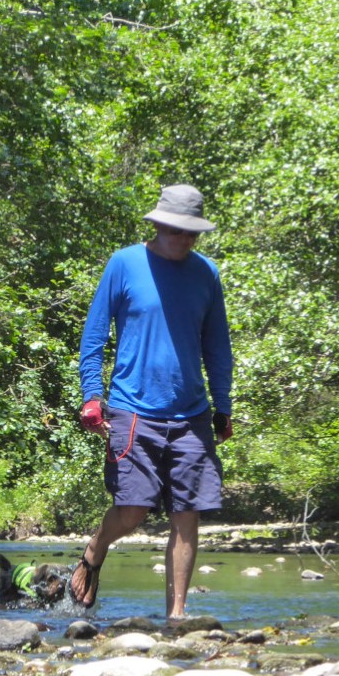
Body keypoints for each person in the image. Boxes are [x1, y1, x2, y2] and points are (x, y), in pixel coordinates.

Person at [71, 184, 233, 620]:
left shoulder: (207, 274)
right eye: (177, 231)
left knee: (188, 512)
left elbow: (218, 345)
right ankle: (95, 548)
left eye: (192, 233)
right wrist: (92, 396)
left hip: (192, 413)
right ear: (158, 224)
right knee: (133, 511)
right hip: (132, 409)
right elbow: (93, 335)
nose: (185, 239)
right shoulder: (124, 264)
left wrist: (223, 405)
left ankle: (176, 616)